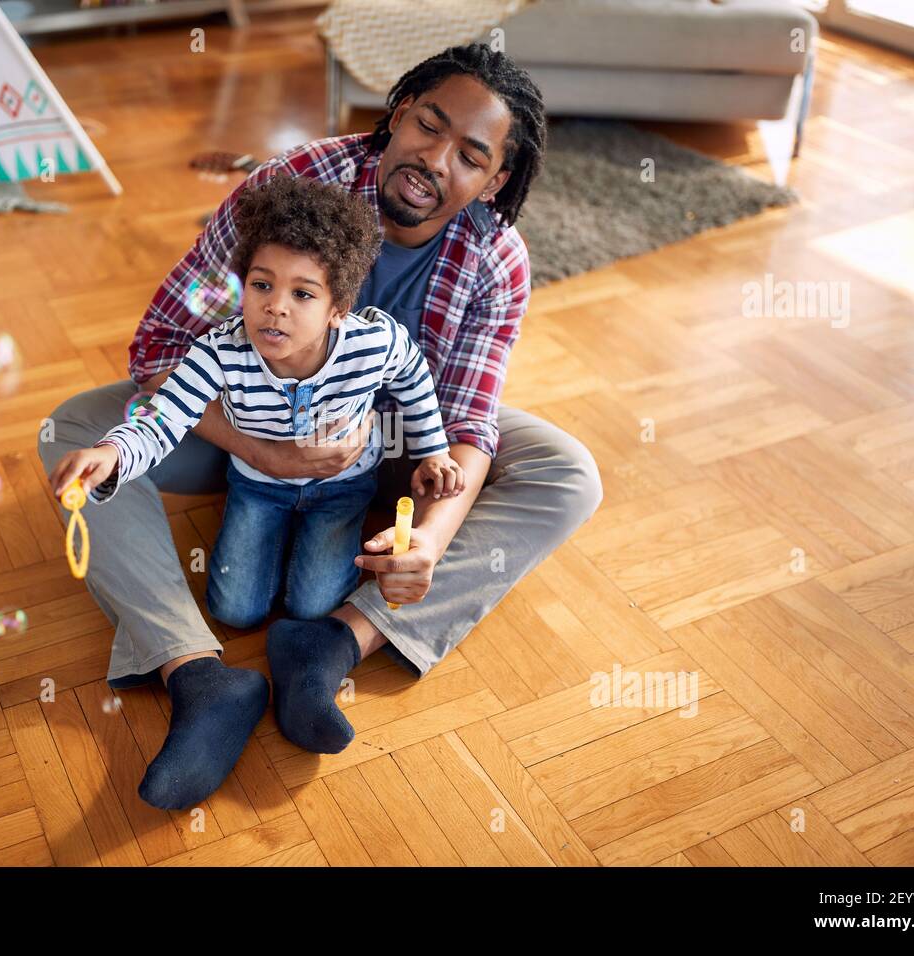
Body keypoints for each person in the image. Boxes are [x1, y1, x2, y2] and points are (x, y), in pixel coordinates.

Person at [38, 43, 603, 811]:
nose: (434, 160)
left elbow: (467, 420)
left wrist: (430, 539)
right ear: (397, 113)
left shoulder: (496, 257)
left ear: (494, 180)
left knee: (568, 474)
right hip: (245, 425)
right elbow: (163, 348)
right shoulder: (288, 186)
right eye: (428, 125)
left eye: (469, 155)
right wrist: (260, 449)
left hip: (405, 438)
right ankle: (198, 677)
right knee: (73, 427)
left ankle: (337, 638)